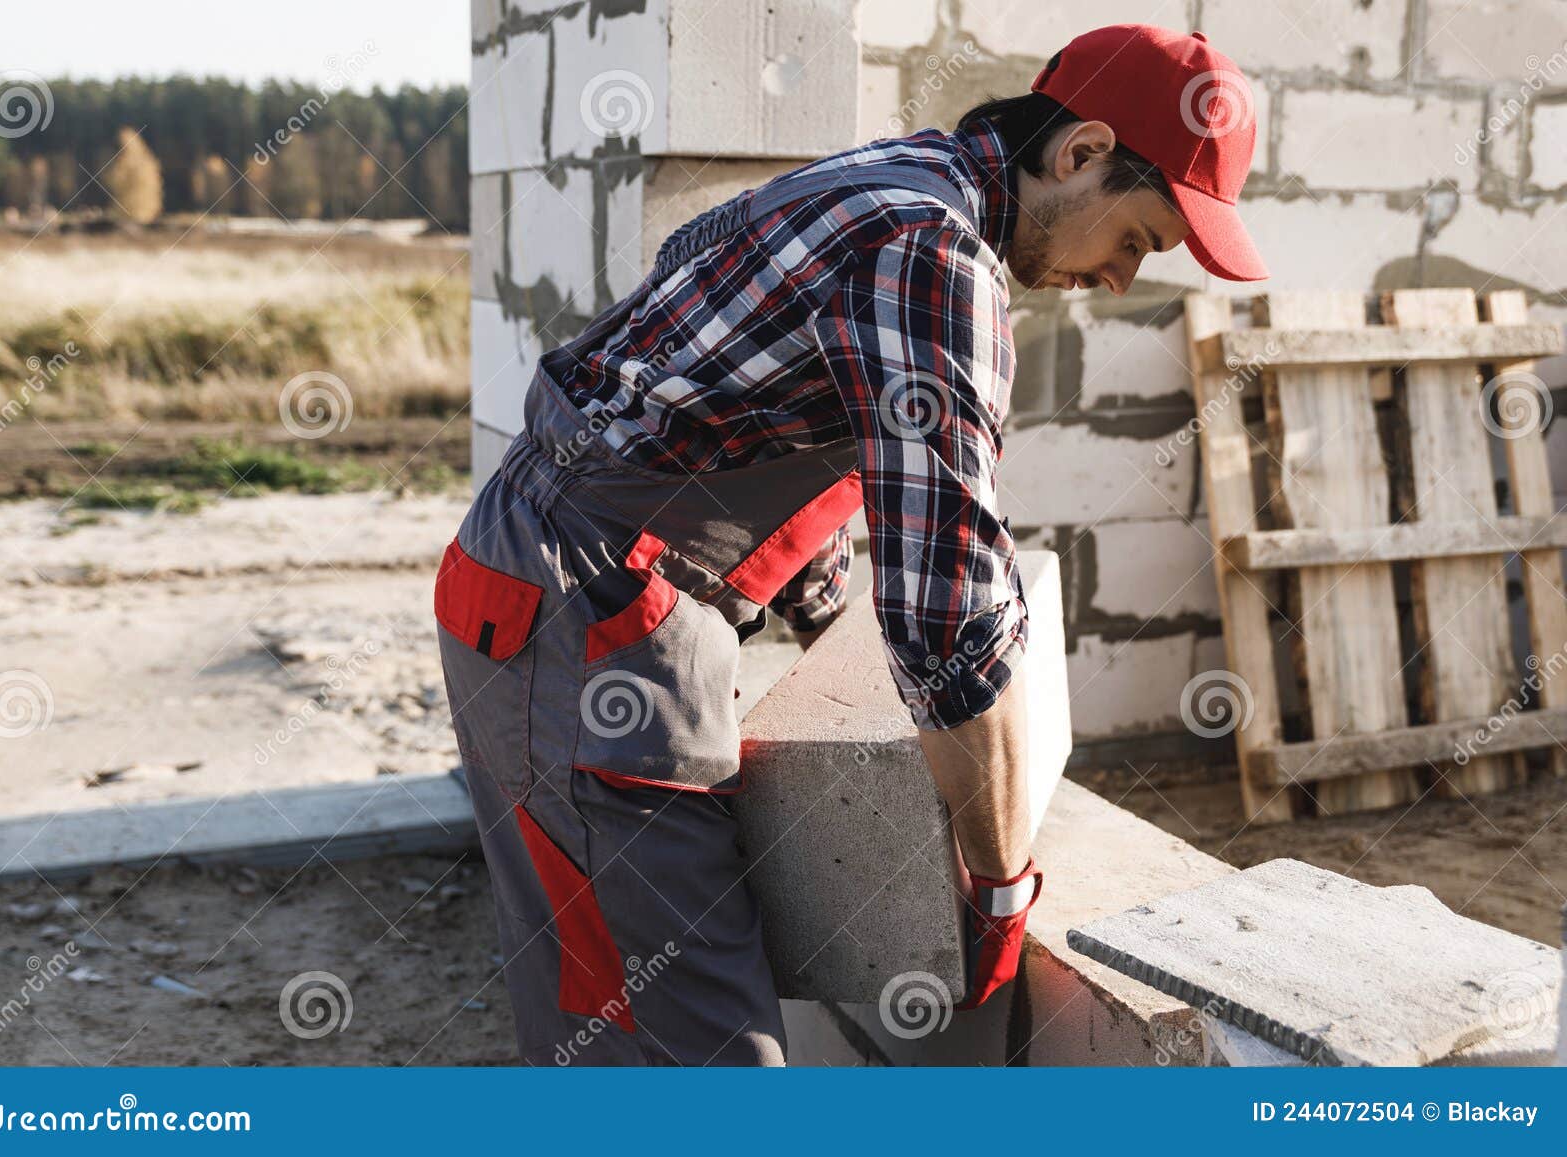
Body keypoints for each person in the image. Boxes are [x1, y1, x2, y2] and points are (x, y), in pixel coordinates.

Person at [435, 23, 1268, 1066]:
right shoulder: (933, 255)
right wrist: (1001, 885)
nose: (1118, 279)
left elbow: (743, 407)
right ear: (1081, 152)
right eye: (1139, 238)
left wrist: (840, 653)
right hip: (571, 619)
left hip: (566, 588)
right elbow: (951, 620)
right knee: (678, 1050)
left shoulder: (897, 177)